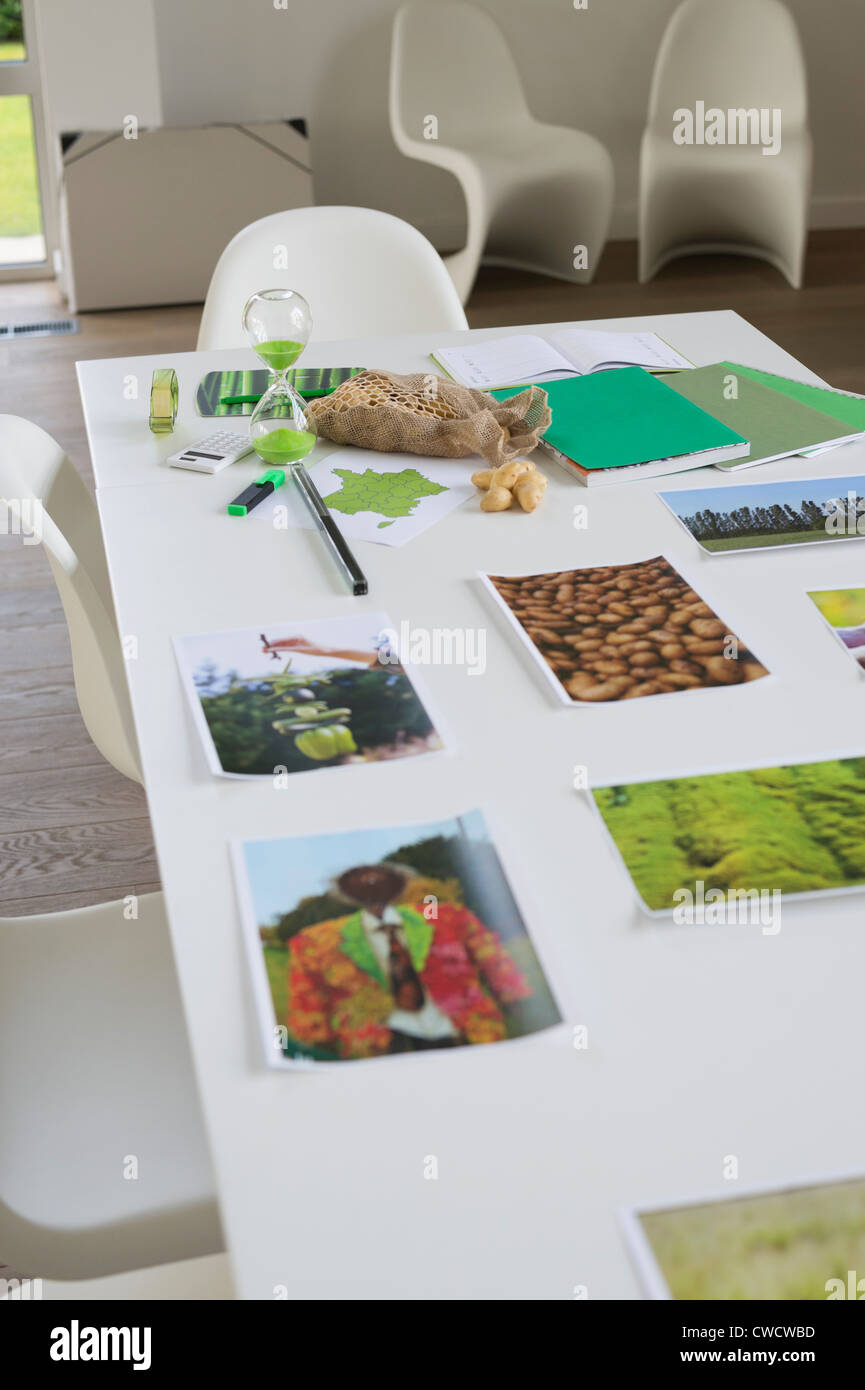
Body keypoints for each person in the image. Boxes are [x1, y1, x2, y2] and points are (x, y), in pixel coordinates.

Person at [285, 862, 532, 1059]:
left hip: (463, 1030)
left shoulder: (447, 917)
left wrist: (514, 999)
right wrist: (317, 1040)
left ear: (400, 884)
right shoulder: (315, 941)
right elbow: (308, 1001)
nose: (371, 884)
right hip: (381, 1043)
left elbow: (495, 963)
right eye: (358, 881)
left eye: (381, 879)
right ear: (343, 892)